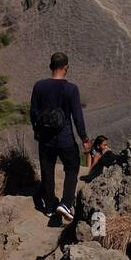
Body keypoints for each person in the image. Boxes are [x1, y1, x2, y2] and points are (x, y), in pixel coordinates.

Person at [29, 52, 89, 223]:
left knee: (47, 171)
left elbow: (33, 112)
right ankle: (65, 203)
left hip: (45, 139)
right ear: (66, 68)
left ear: (51, 67)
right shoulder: (71, 89)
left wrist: (38, 131)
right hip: (65, 139)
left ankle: (49, 207)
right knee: (72, 167)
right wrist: (84, 138)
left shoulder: (39, 86)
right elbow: (77, 117)